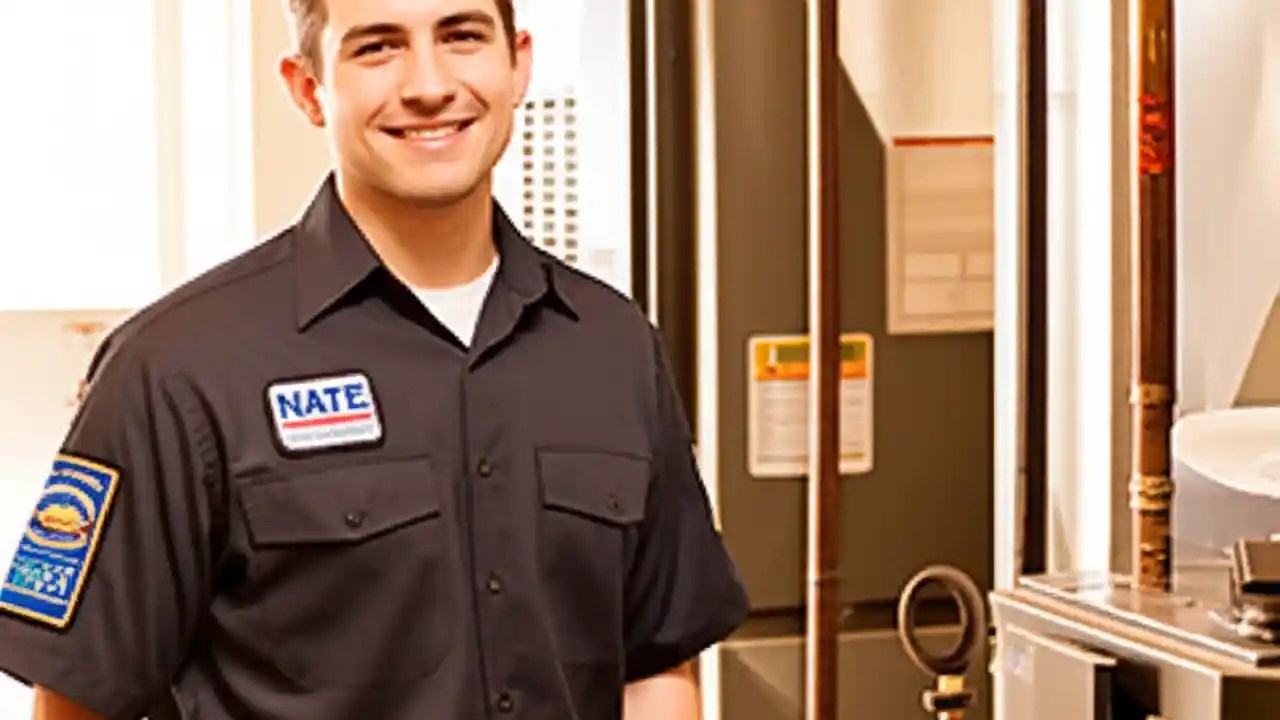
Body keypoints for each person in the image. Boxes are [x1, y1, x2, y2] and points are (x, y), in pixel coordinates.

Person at [0, 0, 750, 717]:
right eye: (377, 46)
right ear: (308, 87)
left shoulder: (612, 345)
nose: (428, 86)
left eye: (461, 35)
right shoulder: (172, 370)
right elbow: (80, 700)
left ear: (518, 65)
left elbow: (654, 664)